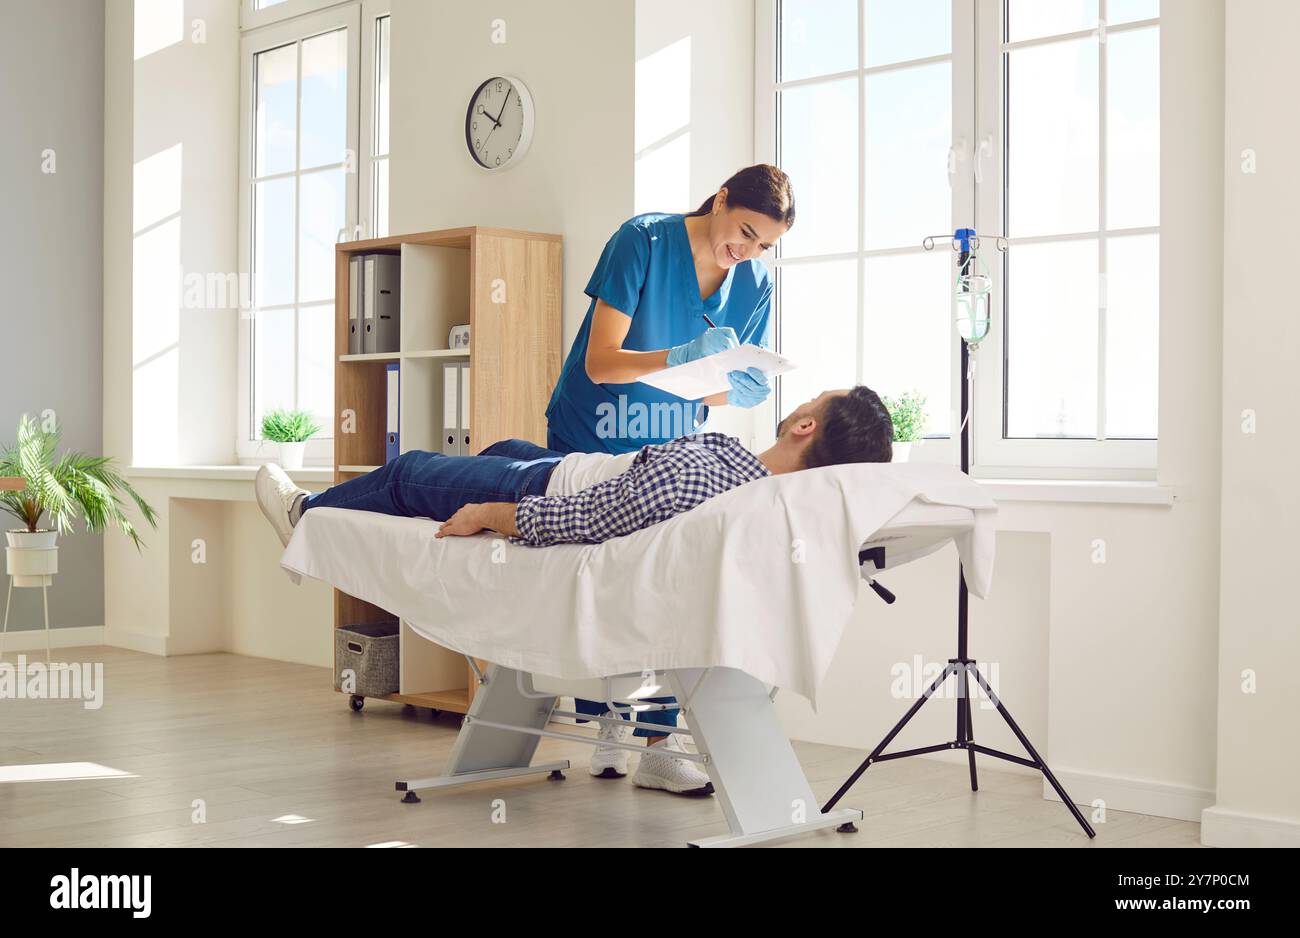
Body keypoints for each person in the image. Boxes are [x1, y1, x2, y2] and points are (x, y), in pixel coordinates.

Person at [255, 387, 894, 793]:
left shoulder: (709, 476)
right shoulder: (765, 502)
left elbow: (589, 520)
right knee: (501, 443)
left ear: (806, 426)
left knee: (408, 471)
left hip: (546, 487)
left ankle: (304, 512)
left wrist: (492, 514)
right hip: (564, 469)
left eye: (813, 398)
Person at [540, 164, 796, 789]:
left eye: (763, 245)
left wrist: (740, 391)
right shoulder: (643, 241)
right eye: (744, 232)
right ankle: (605, 725)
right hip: (592, 430)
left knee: (662, 586)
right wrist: (681, 356)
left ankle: (656, 742)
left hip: (669, 446)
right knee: (598, 582)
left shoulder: (754, 280)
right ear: (722, 197)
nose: (748, 252)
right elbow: (601, 364)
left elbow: (712, 389)